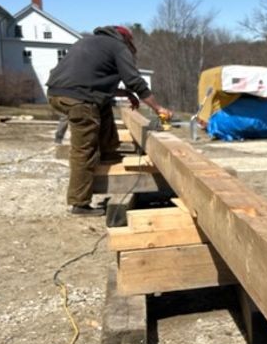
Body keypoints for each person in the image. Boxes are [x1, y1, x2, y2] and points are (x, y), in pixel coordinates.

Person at [46, 25, 172, 216]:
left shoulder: (87, 41)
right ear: (127, 40)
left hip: (57, 93)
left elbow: (91, 80)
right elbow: (134, 80)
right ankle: (79, 203)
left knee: (102, 105)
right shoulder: (118, 46)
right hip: (79, 99)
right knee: (84, 150)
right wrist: (158, 108)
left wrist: (124, 93)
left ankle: (109, 154)